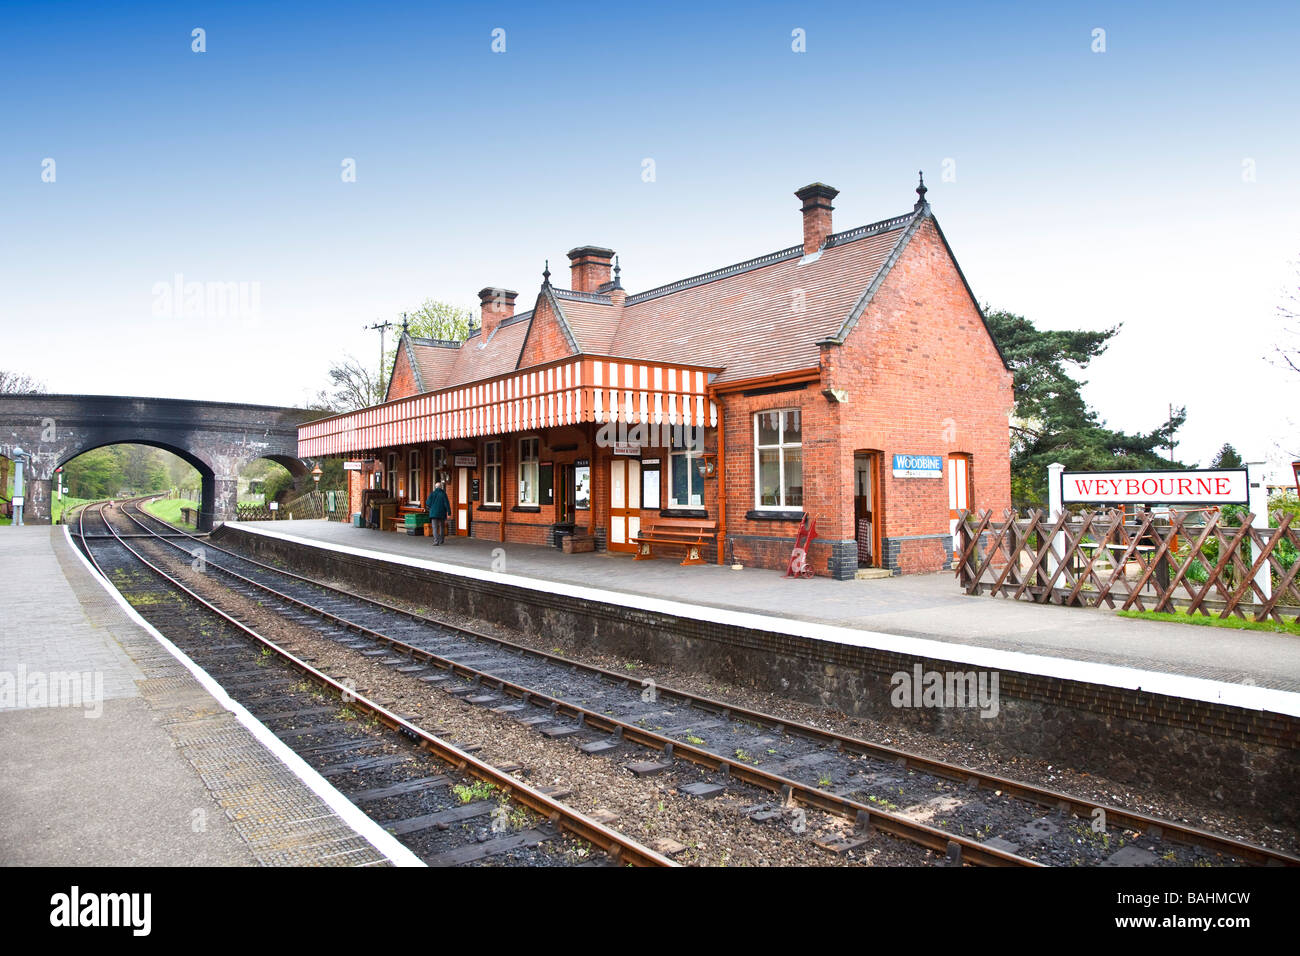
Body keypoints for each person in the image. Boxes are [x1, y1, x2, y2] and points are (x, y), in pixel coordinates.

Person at [427, 480, 450, 545]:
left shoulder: (432, 494)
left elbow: (428, 503)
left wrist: (431, 507)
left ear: (435, 487)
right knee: (442, 527)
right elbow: (446, 504)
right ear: (441, 487)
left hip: (433, 514)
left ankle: (436, 541)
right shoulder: (443, 494)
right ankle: (441, 540)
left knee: (434, 527)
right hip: (442, 513)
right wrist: (449, 512)